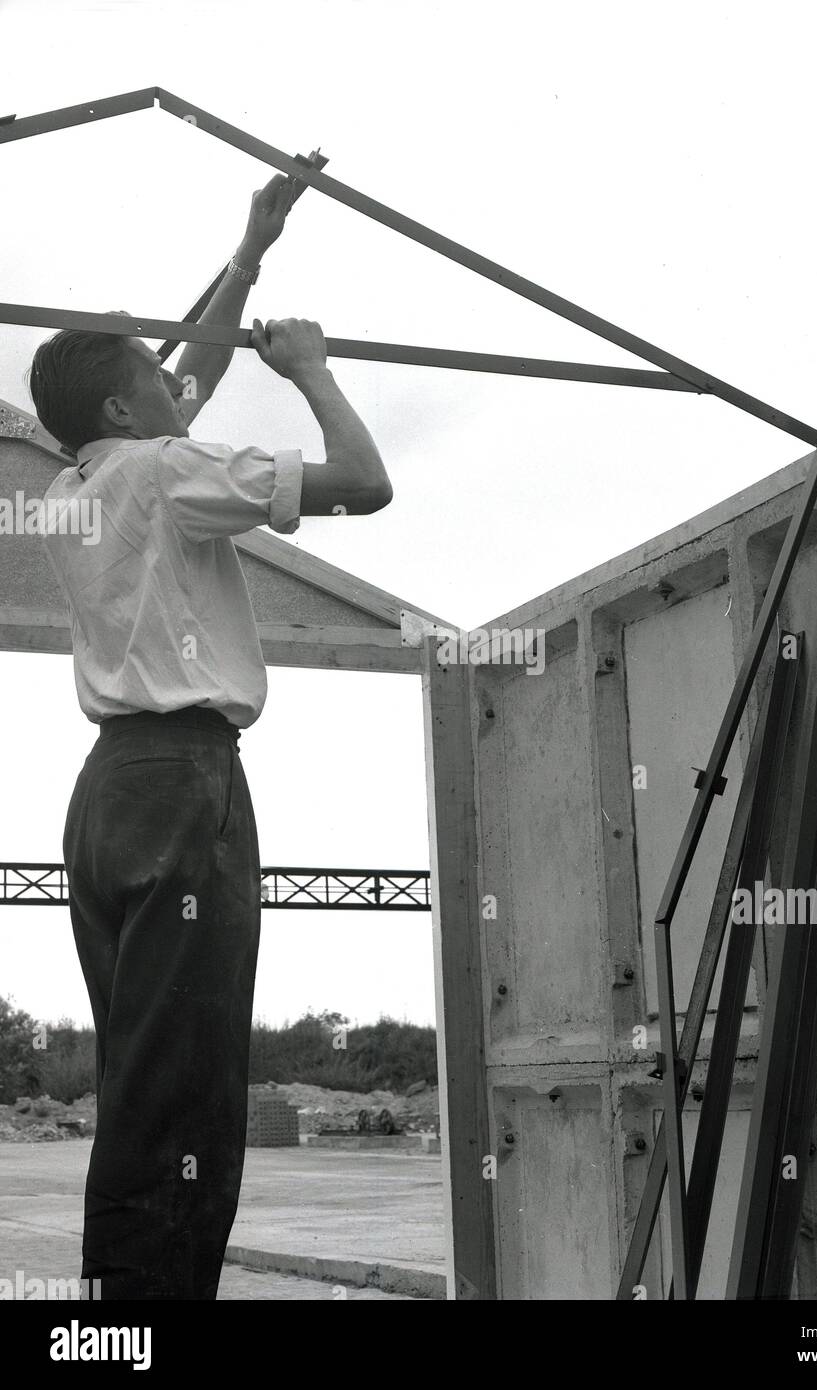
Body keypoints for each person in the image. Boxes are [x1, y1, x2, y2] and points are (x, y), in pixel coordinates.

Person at [29, 172, 392, 1300]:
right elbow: (366, 483)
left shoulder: (73, 487)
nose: (179, 385)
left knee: (145, 1078)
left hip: (106, 799)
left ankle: (111, 1317)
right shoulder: (169, 468)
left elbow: (192, 365)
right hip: (185, 788)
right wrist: (313, 368)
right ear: (132, 413)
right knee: (186, 1092)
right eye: (154, 379)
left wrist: (251, 247)